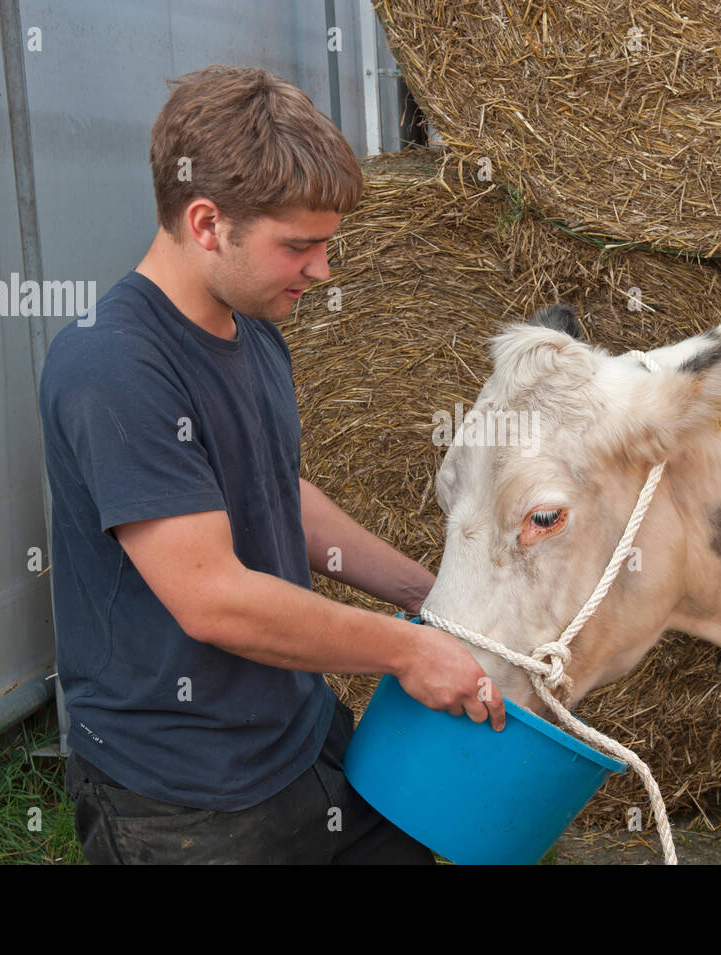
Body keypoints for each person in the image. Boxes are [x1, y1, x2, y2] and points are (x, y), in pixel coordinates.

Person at [37, 65, 505, 865]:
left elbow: (275, 491)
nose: (322, 272)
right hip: (183, 795)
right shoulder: (112, 364)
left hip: (302, 737)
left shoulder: (249, 329)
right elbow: (214, 599)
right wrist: (406, 650)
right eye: (300, 245)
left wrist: (434, 599)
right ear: (207, 221)